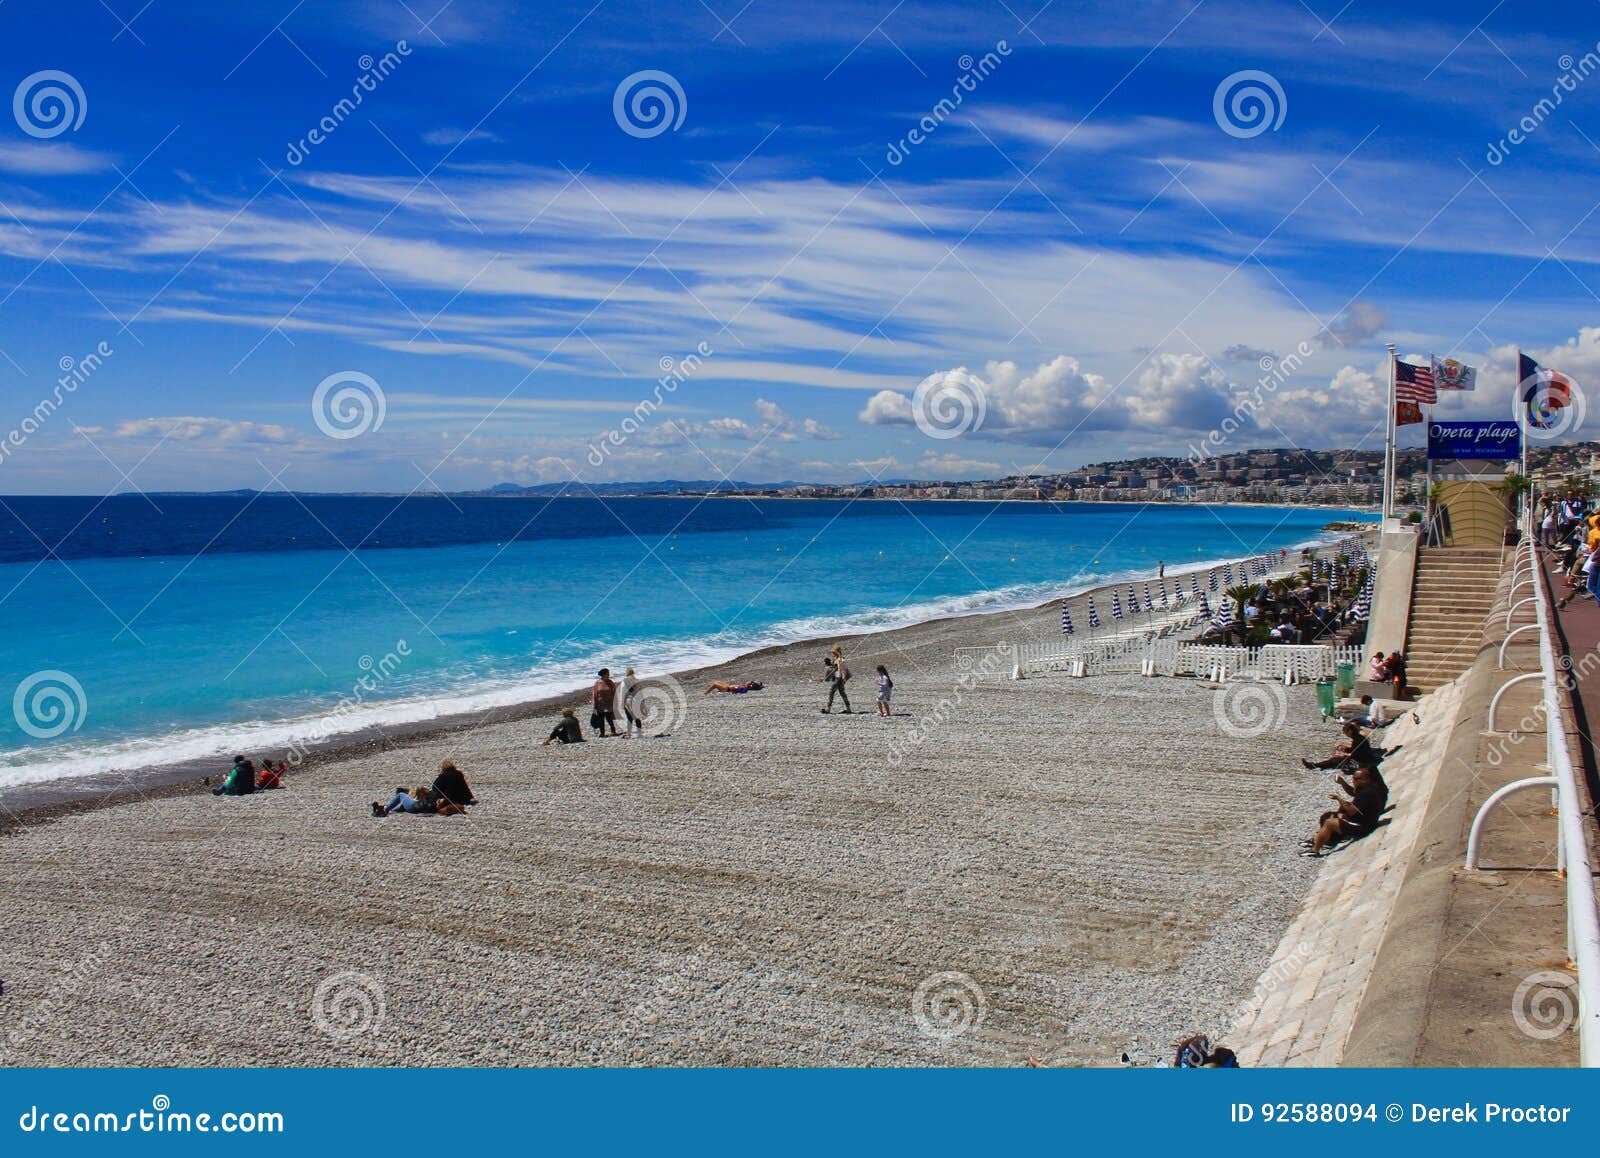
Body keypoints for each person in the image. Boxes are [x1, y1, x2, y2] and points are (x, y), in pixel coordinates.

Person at [1301, 721, 1380, 772]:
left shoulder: (1357, 739)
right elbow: (1355, 750)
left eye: (1345, 732)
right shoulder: (1358, 737)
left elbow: (1355, 754)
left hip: (1362, 761)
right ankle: (1319, 765)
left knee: (1335, 760)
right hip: (1362, 758)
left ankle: (1314, 765)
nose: (1345, 734)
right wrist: (1345, 749)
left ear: (1350, 731)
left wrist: (1344, 754)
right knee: (1336, 758)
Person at [820, 645, 851, 714]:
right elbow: (835, 667)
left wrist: (842, 679)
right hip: (839, 677)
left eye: (834, 652)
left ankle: (828, 709)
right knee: (842, 693)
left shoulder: (840, 659)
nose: (833, 653)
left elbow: (840, 669)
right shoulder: (837, 658)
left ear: (837, 652)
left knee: (831, 692)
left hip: (839, 678)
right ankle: (848, 708)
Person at [591, 668, 619, 737]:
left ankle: (613, 731)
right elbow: (594, 694)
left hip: (609, 703)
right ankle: (602, 733)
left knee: (609, 717)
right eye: (607, 674)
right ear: (604, 675)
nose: (609, 675)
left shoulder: (610, 682)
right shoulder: (597, 683)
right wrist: (594, 704)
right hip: (600, 704)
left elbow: (614, 692)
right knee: (601, 718)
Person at [617, 666, 641, 737]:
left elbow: (622, 694)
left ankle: (629, 734)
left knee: (629, 718)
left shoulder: (624, 682)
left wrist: (621, 704)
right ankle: (639, 733)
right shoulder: (637, 680)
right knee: (637, 718)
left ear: (626, 673)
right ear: (633, 672)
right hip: (636, 701)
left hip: (627, 702)